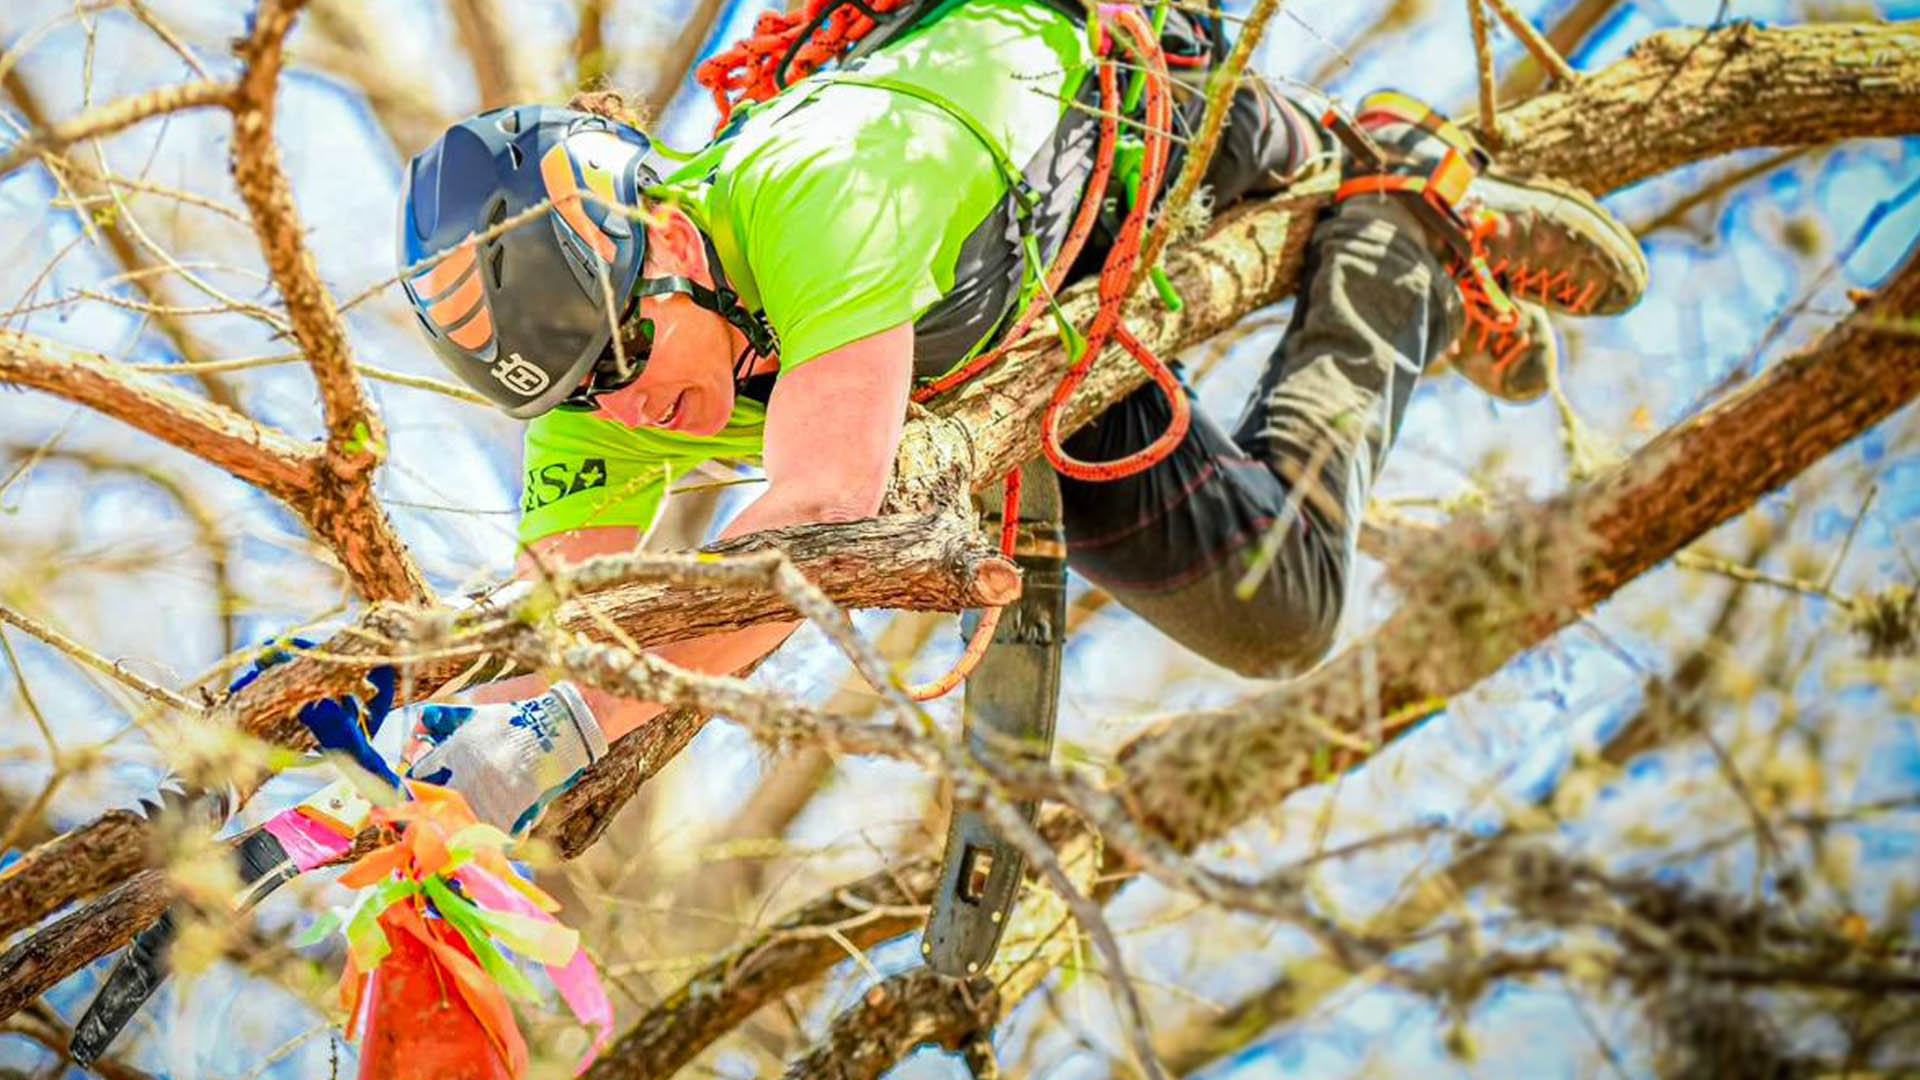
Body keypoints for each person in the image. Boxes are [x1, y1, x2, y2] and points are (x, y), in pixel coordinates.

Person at [388, 0, 1648, 834]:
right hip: (986, 366)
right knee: (1283, 609)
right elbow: (588, 646)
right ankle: (1391, 263)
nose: (619, 403)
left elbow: (829, 505)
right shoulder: (594, 412)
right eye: (575, 393)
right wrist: (397, 802)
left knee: (1239, 141)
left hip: (1088, 125)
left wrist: (558, 727)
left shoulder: (826, 178)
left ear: (664, 235)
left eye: (619, 348)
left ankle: (1374, 171)